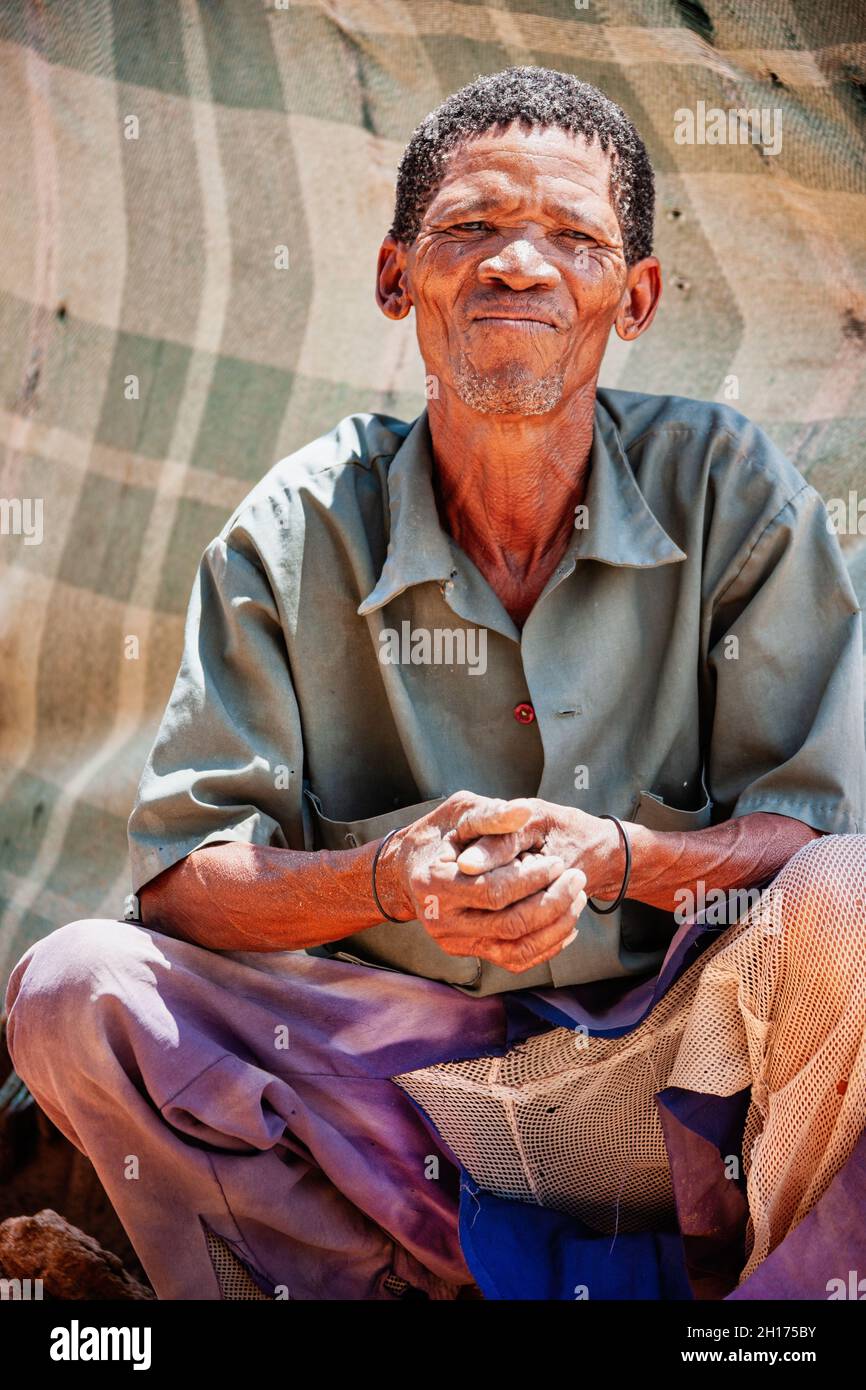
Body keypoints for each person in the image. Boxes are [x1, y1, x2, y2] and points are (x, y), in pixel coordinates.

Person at [6, 67, 866, 1301]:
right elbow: (182, 886)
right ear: (394, 276)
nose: (517, 265)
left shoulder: (730, 489)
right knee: (75, 988)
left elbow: (812, 829)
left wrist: (620, 857)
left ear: (634, 300)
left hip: (679, 1097)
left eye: (571, 237)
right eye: (468, 228)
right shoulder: (294, 529)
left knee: (850, 893)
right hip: (395, 1108)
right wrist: (383, 875)